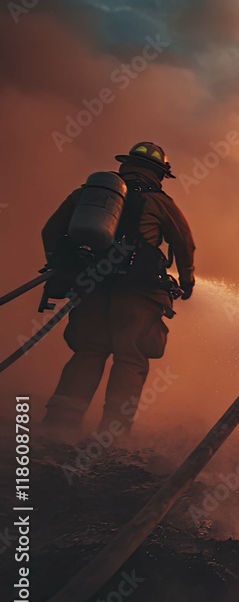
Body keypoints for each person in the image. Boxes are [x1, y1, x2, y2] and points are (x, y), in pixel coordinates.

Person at [41, 142, 195, 439]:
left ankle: (59, 426)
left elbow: (51, 231)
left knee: (88, 352)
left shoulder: (89, 195)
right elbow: (183, 243)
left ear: (126, 165)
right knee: (130, 358)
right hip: (138, 295)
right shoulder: (160, 202)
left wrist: (60, 266)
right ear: (159, 174)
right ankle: (112, 436)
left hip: (93, 290)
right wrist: (187, 281)